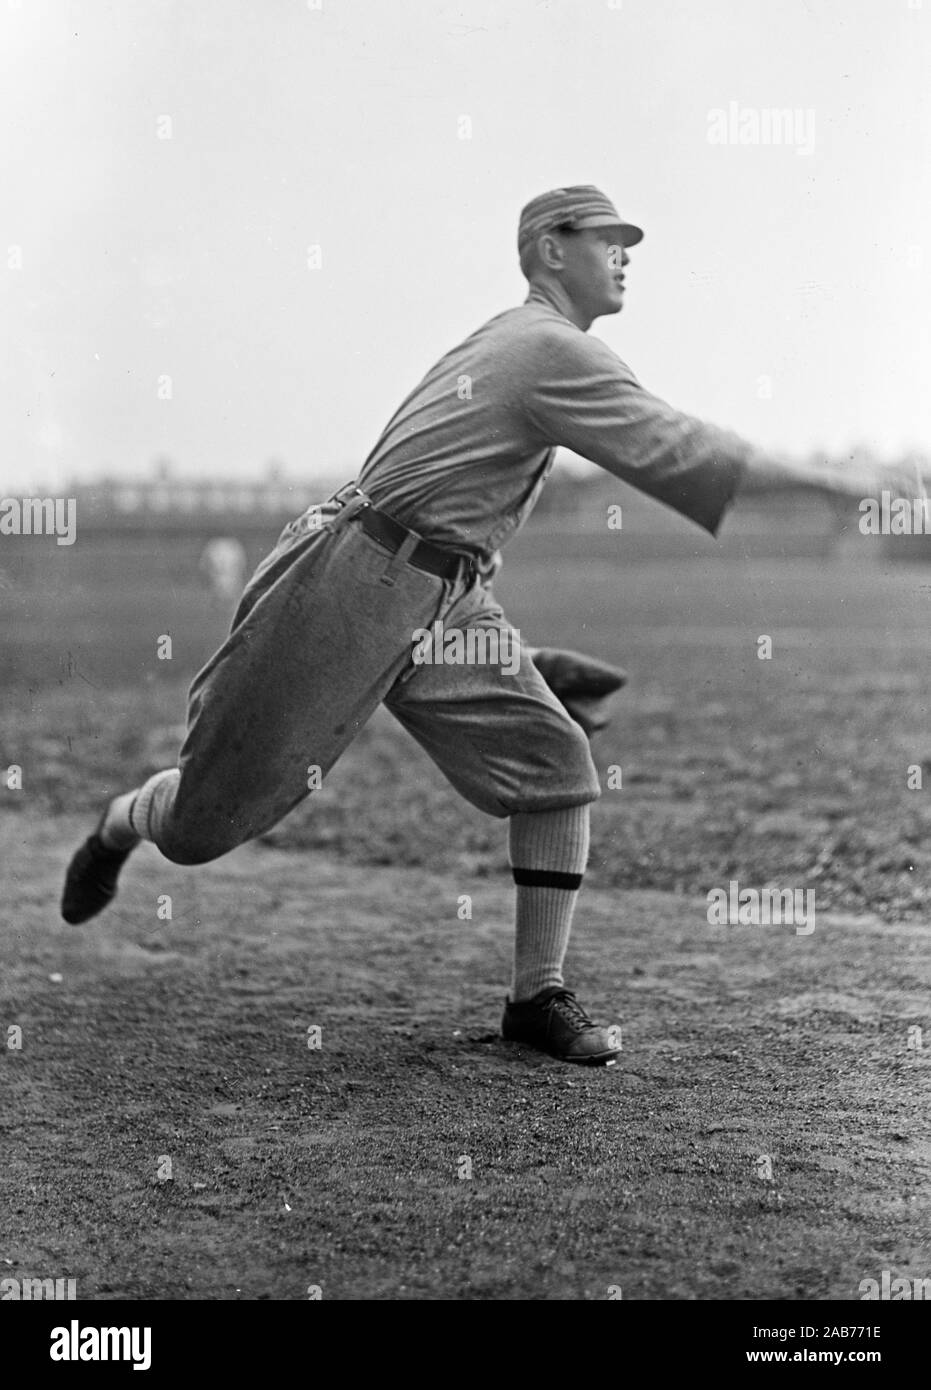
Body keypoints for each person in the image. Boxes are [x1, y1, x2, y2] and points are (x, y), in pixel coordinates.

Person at [60, 184, 912, 1066]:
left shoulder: (533, 347)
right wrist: (838, 484)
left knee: (555, 763)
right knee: (201, 828)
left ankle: (535, 996)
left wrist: (509, 660)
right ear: (549, 249)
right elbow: (681, 449)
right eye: (605, 239)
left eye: (629, 242)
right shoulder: (544, 346)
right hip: (350, 581)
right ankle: (120, 825)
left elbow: (461, 501)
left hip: (442, 592)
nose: (623, 254)